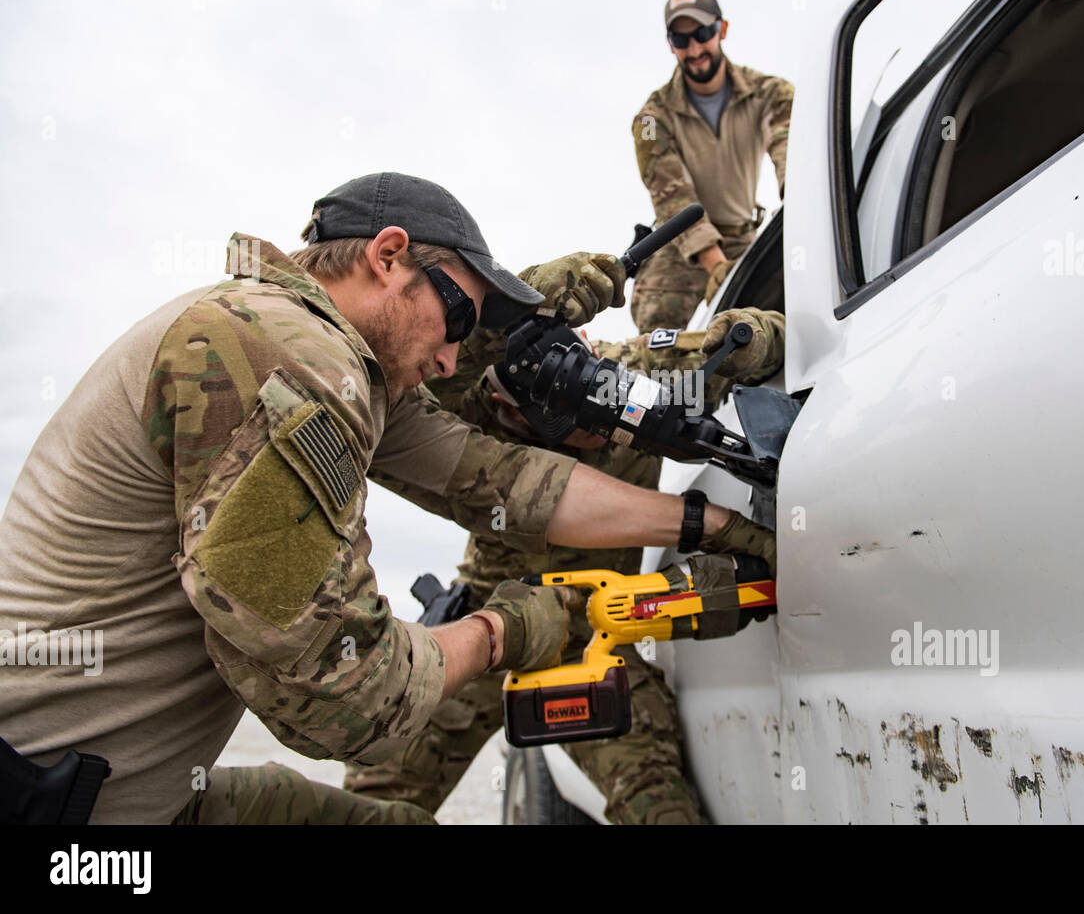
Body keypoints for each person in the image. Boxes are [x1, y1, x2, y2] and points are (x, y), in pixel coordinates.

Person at [0, 172, 773, 824]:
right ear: (387, 256)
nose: (449, 359)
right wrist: (509, 629)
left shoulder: (339, 369)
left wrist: (718, 528)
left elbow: (505, 480)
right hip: (56, 811)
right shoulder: (287, 355)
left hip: (136, 795)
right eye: (460, 319)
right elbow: (348, 696)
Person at [343, 304, 786, 824]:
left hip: (592, 629)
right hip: (489, 624)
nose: (589, 434)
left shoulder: (645, 372)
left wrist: (752, 336)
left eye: (592, 411)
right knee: (374, 795)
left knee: (657, 803)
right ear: (500, 407)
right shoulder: (457, 410)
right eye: (560, 425)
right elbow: (378, 386)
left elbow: (770, 339)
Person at [629, 0, 795, 333]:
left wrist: (802, 217)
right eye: (681, 39)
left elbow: (790, 154)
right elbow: (671, 196)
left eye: (702, 34)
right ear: (670, 44)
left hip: (741, 236)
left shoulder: (772, 94)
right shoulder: (650, 120)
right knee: (656, 326)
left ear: (723, 29)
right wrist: (716, 265)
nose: (694, 49)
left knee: (780, 320)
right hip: (679, 243)